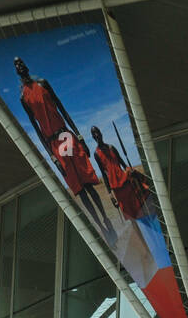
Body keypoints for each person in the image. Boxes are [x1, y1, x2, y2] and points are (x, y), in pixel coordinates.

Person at [14, 57, 114, 240]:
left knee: (87, 182)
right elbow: (36, 128)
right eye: (16, 65)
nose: (20, 66)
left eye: (21, 63)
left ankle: (106, 219)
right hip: (54, 143)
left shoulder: (43, 83)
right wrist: (52, 157)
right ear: (16, 72)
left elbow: (63, 109)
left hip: (66, 136)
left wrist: (80, 137)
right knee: (79, 189)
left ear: (27, 66)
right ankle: (100, 226)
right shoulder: (23, 98)